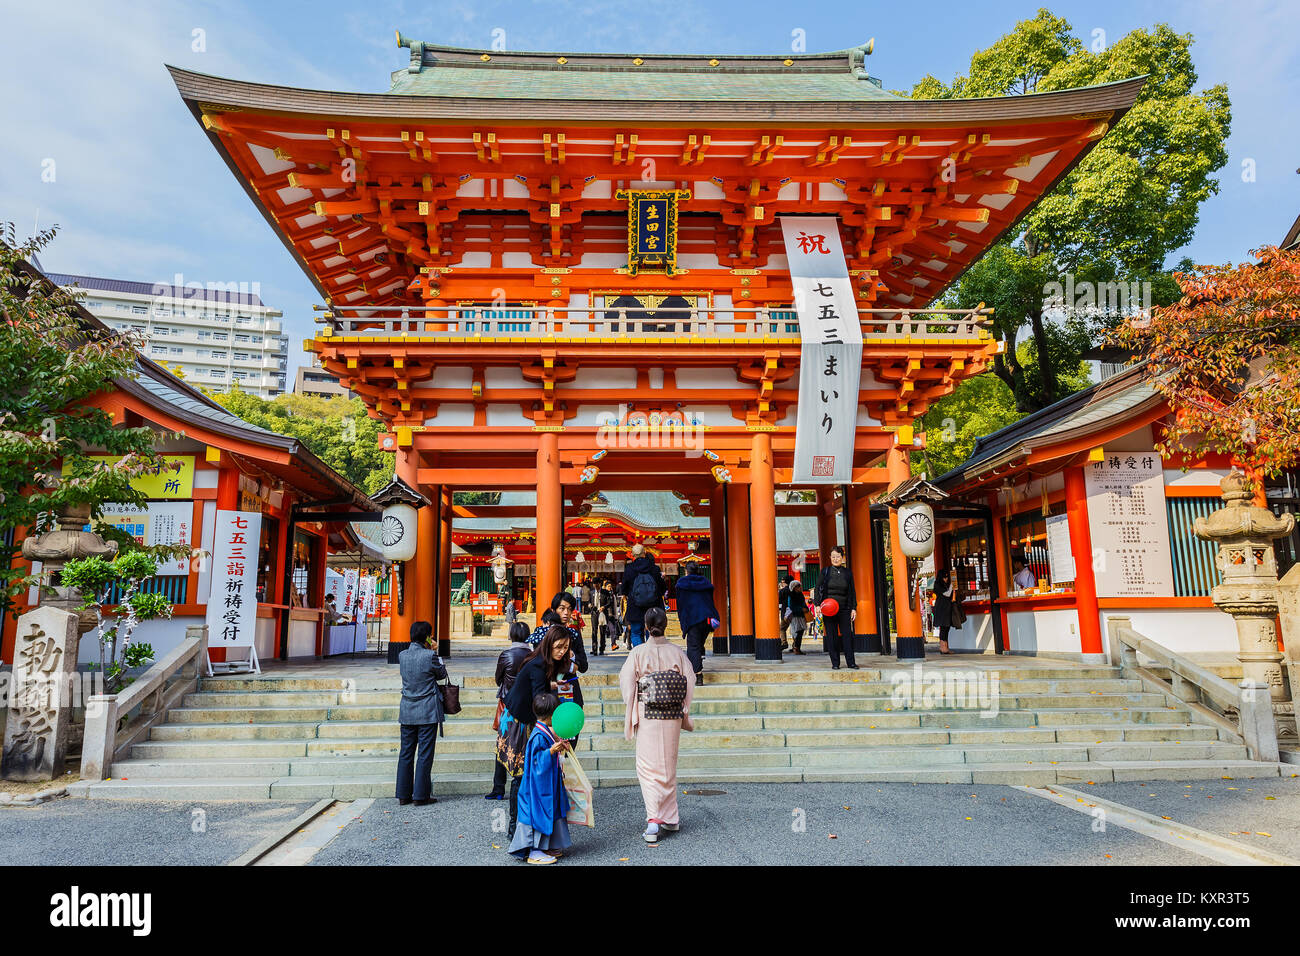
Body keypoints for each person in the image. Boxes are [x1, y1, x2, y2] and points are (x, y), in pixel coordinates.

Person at [619, 606, 695, 844]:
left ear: (646, 624)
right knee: (668, 765)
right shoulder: (677, 652)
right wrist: (684, 706)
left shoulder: (639, 652)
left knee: (648, 768)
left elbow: (627, 682)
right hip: (672, 714)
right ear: (666, 623)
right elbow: (690, 679)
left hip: (648, 713)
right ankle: (671, 818)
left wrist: (631, 705)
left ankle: (654, 820)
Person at [501, 627, 581, 838]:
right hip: (519, 721)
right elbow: (539, 703)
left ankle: (529, 825)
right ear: (548, 644)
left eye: (566, 647)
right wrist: (553, 730)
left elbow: (541, 690)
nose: (563, 651)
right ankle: (515, 827)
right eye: (559, 647)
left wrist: (554, 684)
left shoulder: (545, 662)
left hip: (530, 717)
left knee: (530, 772)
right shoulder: (537, 665)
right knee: (521, 773)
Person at [507, 692, 573, 864]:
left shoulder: (542, 731)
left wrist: (556, 746)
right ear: (552, 715)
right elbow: (536, 762)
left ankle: (547, 846)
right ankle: (535, 850)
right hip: (537, 787)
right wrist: (551, 751)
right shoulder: (538, 736)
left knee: (549, 810)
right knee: (539, 813)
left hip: (544, 783)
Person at [395, 621, 448, 806]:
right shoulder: (429, 656)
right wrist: (436, 651)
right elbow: (442, 674)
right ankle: (420, 795)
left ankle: (403, 794)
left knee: (406, 752)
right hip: (427, 710)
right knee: (425, 753)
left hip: (407, 708)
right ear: (427, 636)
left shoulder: (402, 655)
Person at [486, 621, 531, 800]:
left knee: (502, 744)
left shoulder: (506, 655)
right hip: (528, 706)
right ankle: (523, 783)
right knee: (525, 744)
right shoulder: (533, 655)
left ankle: (498, 788)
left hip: (507, 704)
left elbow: (499, 678)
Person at [673, 558, 719, 684]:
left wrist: (683, 620)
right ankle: (696, 665)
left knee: (693, 647)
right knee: (698, 645)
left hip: (692, 618)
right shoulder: (705, 583)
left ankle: (698, 675)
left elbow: (681, 604)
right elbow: (710, 601)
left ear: (686, 571)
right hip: (706, 618)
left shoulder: (682, 584)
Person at [814, 546, 858, 670]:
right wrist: (817, 605)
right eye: (833, 556)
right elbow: (817, 588)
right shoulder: (825, 571)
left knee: (847, 636)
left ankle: (851, 663)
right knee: (832, 637)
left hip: (844, 608)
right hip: (828, 609)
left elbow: (852, 591)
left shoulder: (847, 573)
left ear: (842, 557)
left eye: (838, 556)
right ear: (830, 558)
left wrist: (853, 608)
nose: (835, 559)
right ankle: (835, 663)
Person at [620, 543, 666, 647]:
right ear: (644, 553)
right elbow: (663, 588)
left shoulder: (629, 569)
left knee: (636, 634)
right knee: (653, 634)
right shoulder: (654, 569)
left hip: (635, 608)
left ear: (632, 555)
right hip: (653, 608)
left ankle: (641, 657)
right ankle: (652, 657)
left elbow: (624, 589)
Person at [932, 568, 956, 655]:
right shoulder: (937, 584)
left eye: (947, 577)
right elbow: (947, 594)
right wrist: (952, 586)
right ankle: (943, 647)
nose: (946, 579)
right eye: (944, 577)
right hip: (941, 609)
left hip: (947, 608)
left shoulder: (945, 584)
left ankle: (946, 647)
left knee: (947, 627)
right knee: (943, 627)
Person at [787, 580, 809, 655]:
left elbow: (803, 603)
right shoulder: (791, 595)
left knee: (800, 631)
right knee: (796, 632)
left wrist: (806, 608)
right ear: (794, 587)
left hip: (801, 616)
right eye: (798, 586)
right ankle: (796, 648)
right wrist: (801, 609)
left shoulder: (801, 594)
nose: (800, 588)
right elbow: (791, 606)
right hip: (795, 616)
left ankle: (796, 647)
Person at [778, 577, 791, 651]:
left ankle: (784, 642)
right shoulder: (795, 590)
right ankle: (796, 646)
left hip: (785, 611)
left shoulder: (783, 591)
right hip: (795, 612)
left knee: (782, 628)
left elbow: (778, 600)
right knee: (795, 629)